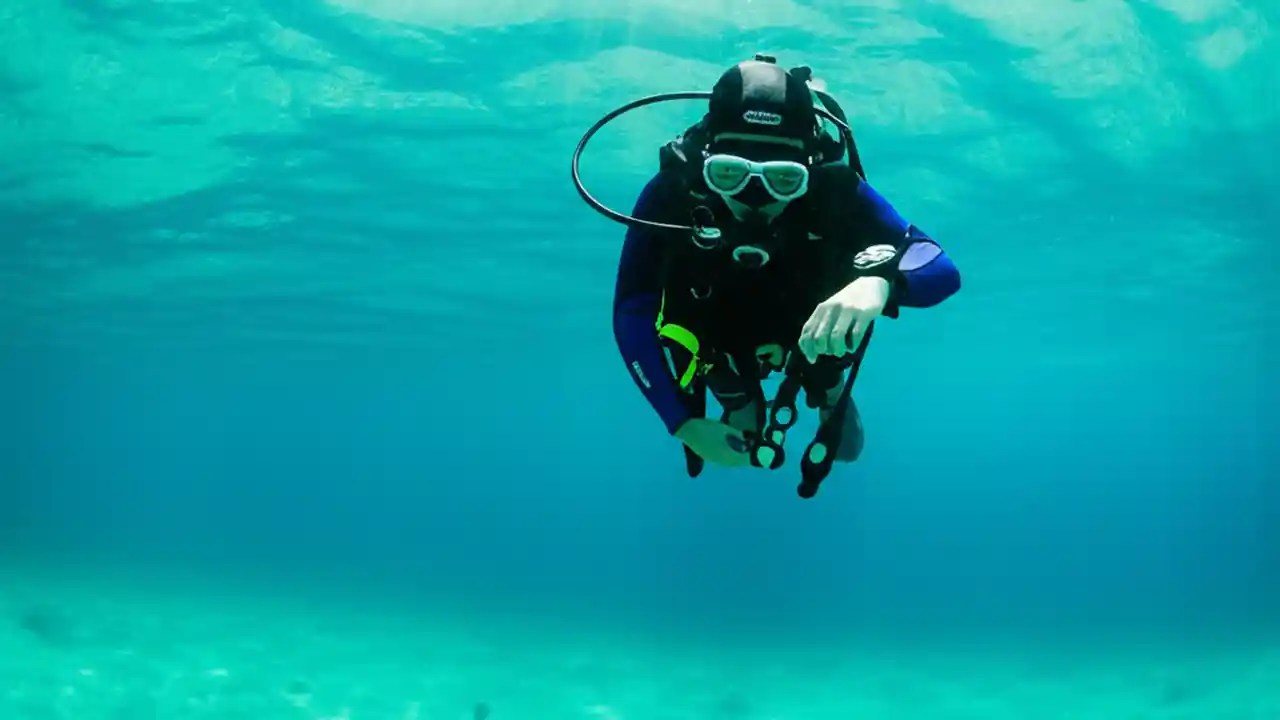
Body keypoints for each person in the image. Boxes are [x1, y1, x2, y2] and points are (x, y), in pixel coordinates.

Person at [571, 55, 962, 498]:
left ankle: (829, 389)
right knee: (740, 422)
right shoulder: (672, 193)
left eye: (783, 180)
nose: (754, 200)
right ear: (706, 160)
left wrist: (880, 281)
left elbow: (939, 267)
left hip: (814, 334)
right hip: (719, 338)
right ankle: (739, 395)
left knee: (843, 435)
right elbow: (632, 309)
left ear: (809, 171)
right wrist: (679, 422)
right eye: (729, 174)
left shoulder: (835, 190)